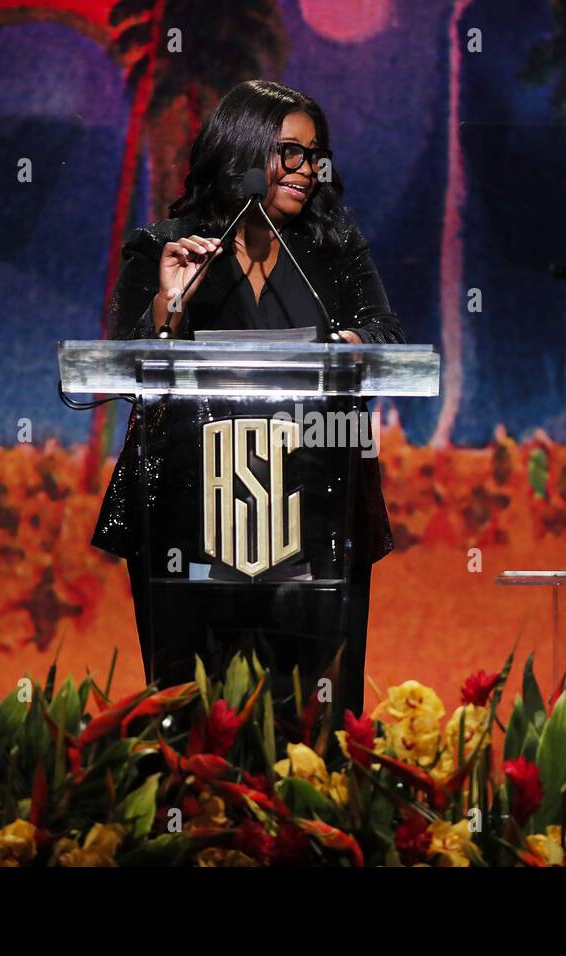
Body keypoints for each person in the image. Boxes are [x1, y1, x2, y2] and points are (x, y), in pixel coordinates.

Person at [90, 80, 405, 715]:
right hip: (187, 512)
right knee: (196, 717)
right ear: (243, 149)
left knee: (312, 721)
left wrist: (348, 342)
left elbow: (385, 335)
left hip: (314, 509)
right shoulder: (167, 247)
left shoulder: (334, 247)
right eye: (289, 151)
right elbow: (127, 361)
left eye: (314, 155)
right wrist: (168, 304)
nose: (306, 169)